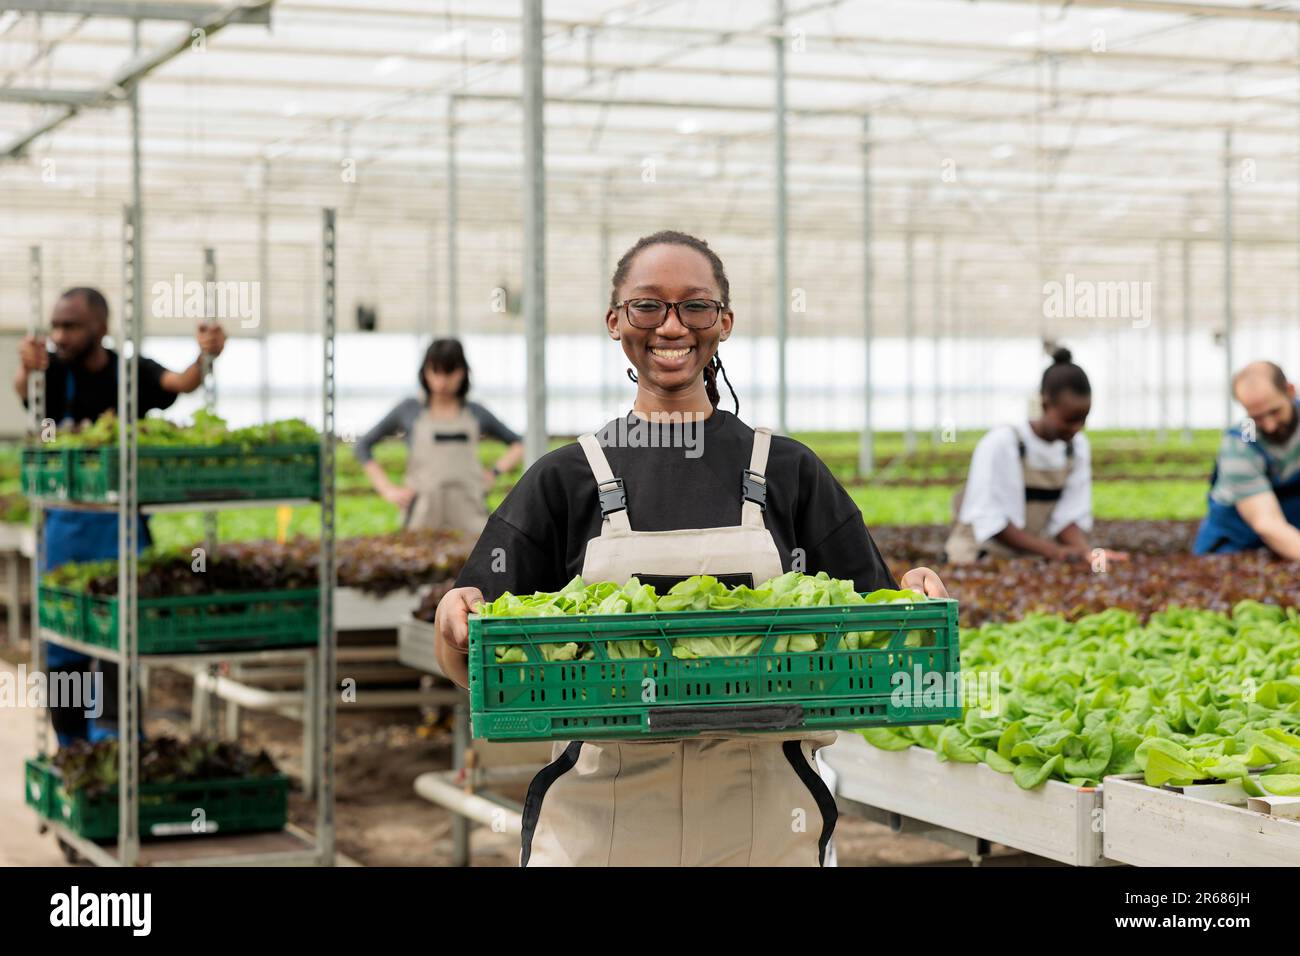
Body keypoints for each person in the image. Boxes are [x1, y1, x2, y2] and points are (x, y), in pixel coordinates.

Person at [433, 230, 949, 867]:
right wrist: (451, 618)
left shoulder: (788, 471)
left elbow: (883, 642)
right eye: (647, 306)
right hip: (599, 834)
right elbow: (473, 661)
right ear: (615, 321)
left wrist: (915, 604)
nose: (670, 326)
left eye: (695, 306)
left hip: (766, 829)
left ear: (724, 322)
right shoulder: (564, 479)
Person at [15, 286, 227, 745]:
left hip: (120, 535)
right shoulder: (52, 373)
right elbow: (24, 393)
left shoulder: (133, 371)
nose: (60, 335)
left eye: (71, 325)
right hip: (66, 535)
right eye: (55, 325)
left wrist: (206, 356)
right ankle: (72, 749)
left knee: (119, 642)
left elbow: (181, 382)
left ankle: (115, 746)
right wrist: (25, 367)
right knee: (63, 650)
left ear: (100, 327)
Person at [944, 347, 1127, 565]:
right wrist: (1054, 552)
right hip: (980, 554)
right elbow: (993, 523)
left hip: (1027, 557)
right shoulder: (1002, 443)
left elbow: (1066, 518)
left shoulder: (1076, 448)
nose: (1077, 428)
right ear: (1045, 404)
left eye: (1084, 419)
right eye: (1069, 420)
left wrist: (1088, 554)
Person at [354, 338, 524, 537]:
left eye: (449, 372)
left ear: (462, 373)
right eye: (436, 372)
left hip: (470, 515)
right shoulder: (409, 410)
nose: (442, 381)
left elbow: (519, 443)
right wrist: (387, 489)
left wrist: (494, 472)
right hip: (422, 516)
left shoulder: (476, 412)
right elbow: (362, 446)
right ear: (425, 372)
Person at [1193, 361, 1300, 559]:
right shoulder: (1244, 440)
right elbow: (1267, 523)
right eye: (1257, 417)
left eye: (1275, 411)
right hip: (1237, 539)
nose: (1269, 426)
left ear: (1290, 391)